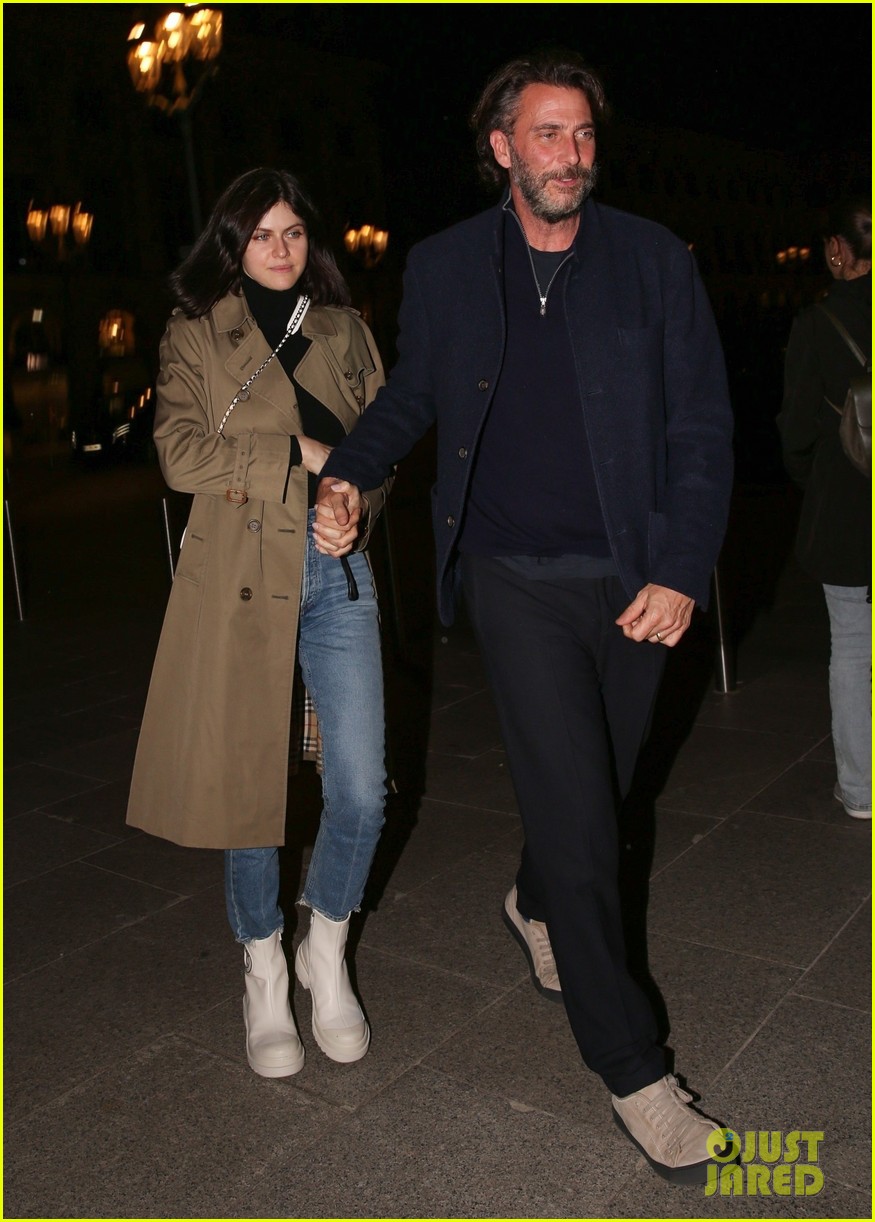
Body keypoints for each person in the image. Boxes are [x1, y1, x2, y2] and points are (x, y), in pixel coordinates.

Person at [314, 50, 736, 1183]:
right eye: (548, 135)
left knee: (601, 790)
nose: (572, 155)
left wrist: (683, 566)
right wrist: (350, 471)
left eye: (584, 135)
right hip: (511, 578)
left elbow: (700, 425)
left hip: (635, 575)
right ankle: (633, 1070)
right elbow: (412, 392)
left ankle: (532, 894)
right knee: (582, 818)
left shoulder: (651, 261)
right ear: (501, 147)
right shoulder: (449, 265)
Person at [127, 168, 391, 1078]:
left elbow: (379, 451)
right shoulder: (196, 334)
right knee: (251, 792)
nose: (279, 250)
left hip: (336, 576)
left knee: (360, 788)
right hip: (241, 573)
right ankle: (262, 967)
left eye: (292, 233)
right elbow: (177, 452)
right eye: (260, 235)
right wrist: (298, 456)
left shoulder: (345, 330)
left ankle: (325, 945)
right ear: (230, 246)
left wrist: (356, 503)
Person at [778, 195, 871, 819]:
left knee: (852, 646)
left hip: (846, 509)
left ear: (838, 250)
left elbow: (796, 430)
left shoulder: (816, 325)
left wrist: (820, 478)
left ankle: (862, 789)